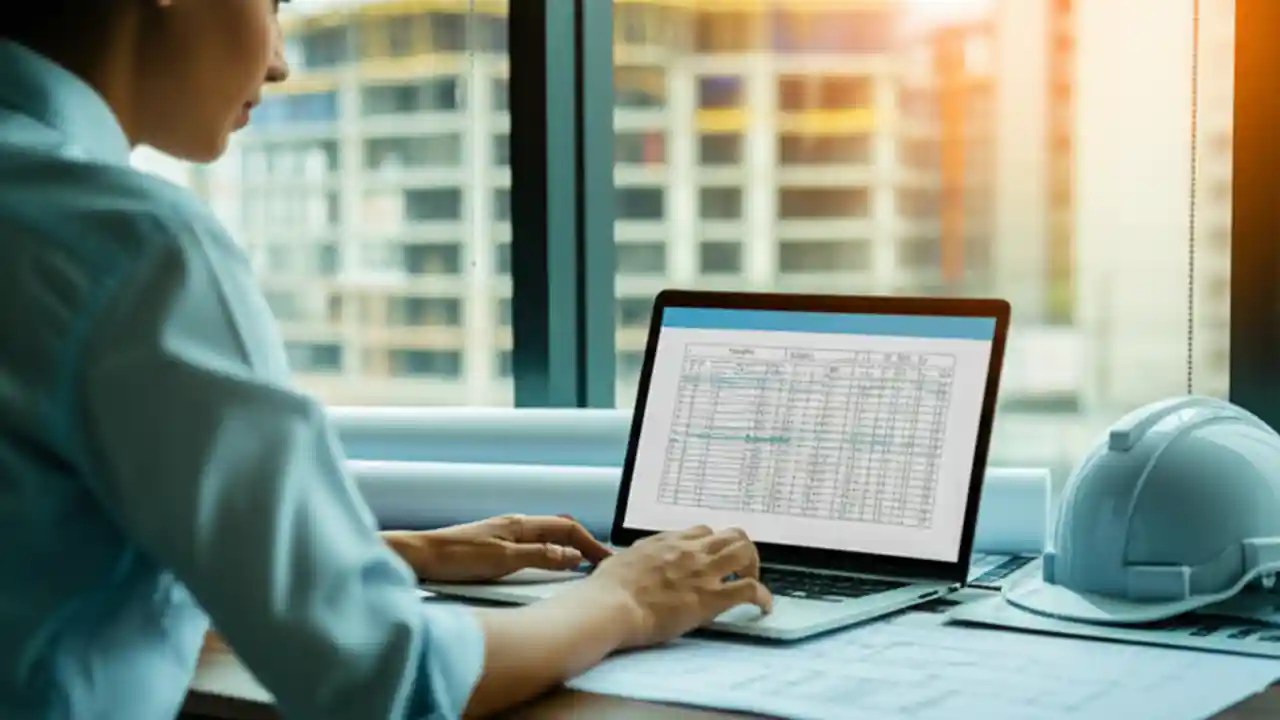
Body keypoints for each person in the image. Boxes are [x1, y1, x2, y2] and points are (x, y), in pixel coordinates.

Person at [0, 1, 773, 718]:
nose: (277, 64)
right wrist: (629, 599)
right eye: (272, 5)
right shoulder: (127, 243)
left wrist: (400, 553)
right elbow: (380, 677)